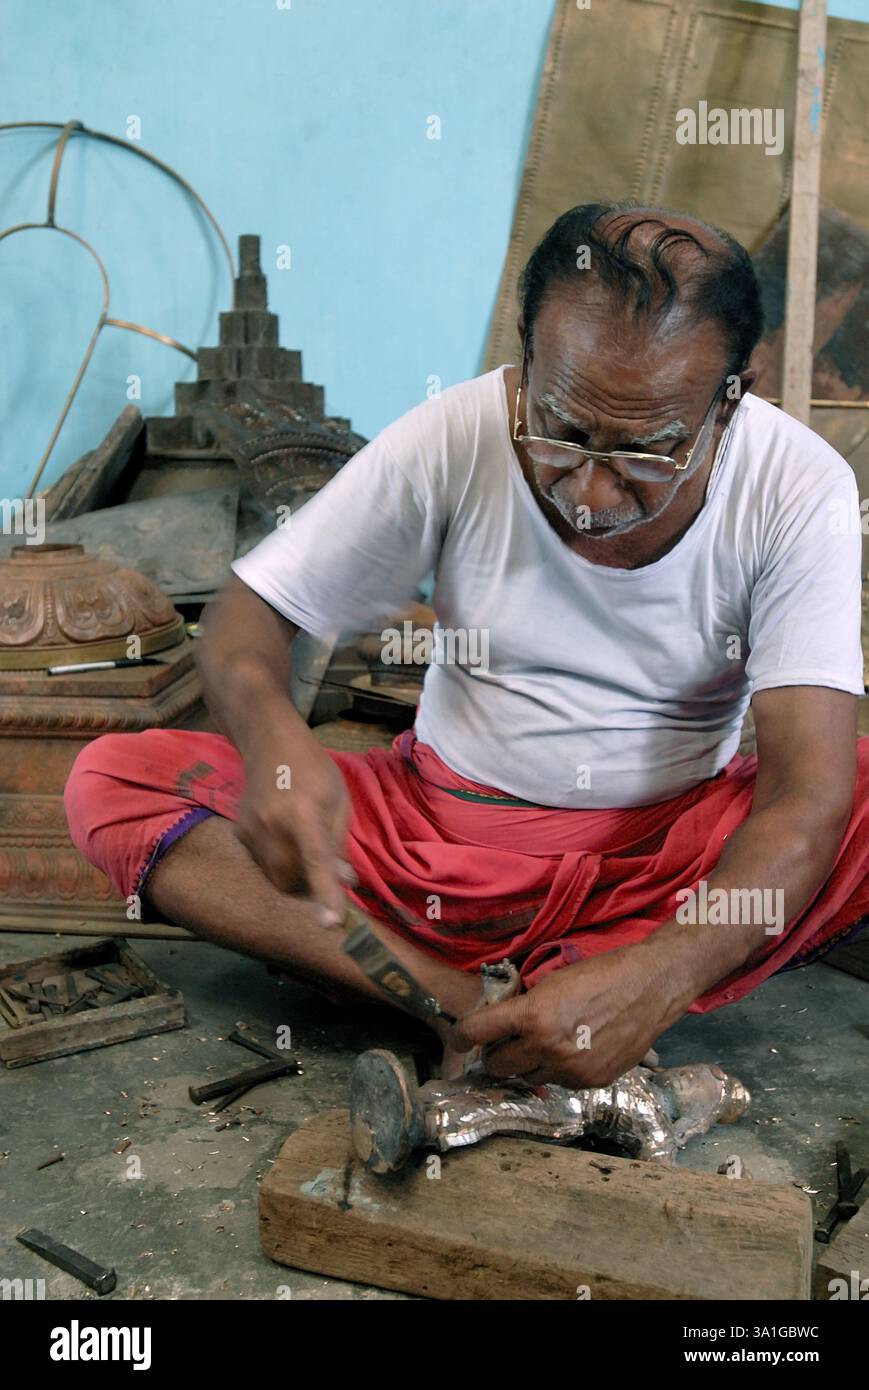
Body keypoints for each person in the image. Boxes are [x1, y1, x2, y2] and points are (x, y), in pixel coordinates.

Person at [64, 202, 869, 1087]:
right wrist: (279, 754)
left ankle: (590, 987)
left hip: (662, 865)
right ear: (525, 352)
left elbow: (806, 795)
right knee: (115, 782)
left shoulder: (797, 488)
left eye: (646, 451)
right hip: (433, 850)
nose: (592, 488)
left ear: (731, 396)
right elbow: (246, 623)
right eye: (562, 430)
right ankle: (468, 1007)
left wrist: (661, 973)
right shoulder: (456, 435)